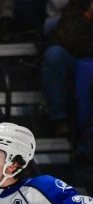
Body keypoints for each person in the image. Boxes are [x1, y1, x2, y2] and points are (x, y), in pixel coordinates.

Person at [41, 0, 93, 138]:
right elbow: (65, 39)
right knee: (54, 54)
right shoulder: (76, 6)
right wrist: (88, 16)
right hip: (78, 60)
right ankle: (60, 119)